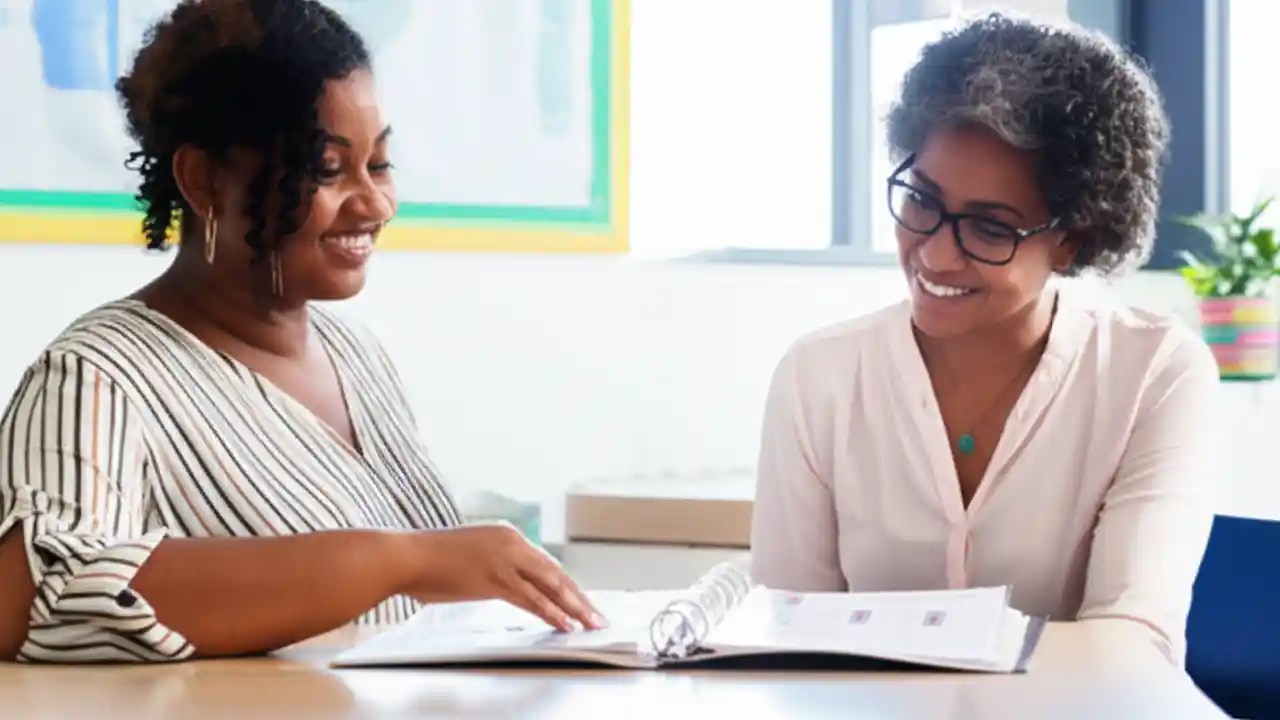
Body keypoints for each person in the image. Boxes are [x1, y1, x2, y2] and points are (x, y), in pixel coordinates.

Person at [0, 0, 602, 664]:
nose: (374, 204)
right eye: (327, 168)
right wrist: (395, 561)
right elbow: (36, 599)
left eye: (378, 164)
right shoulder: (96, 378)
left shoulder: (358, 355)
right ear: (204, 180)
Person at [749, 13, 1219, 665]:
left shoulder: (1153, 374)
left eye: (991, 229)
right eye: (921, 201)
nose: (937, 255)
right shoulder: (819, 376)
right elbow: (787, 634)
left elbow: (1133, 639)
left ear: (1073, 239)